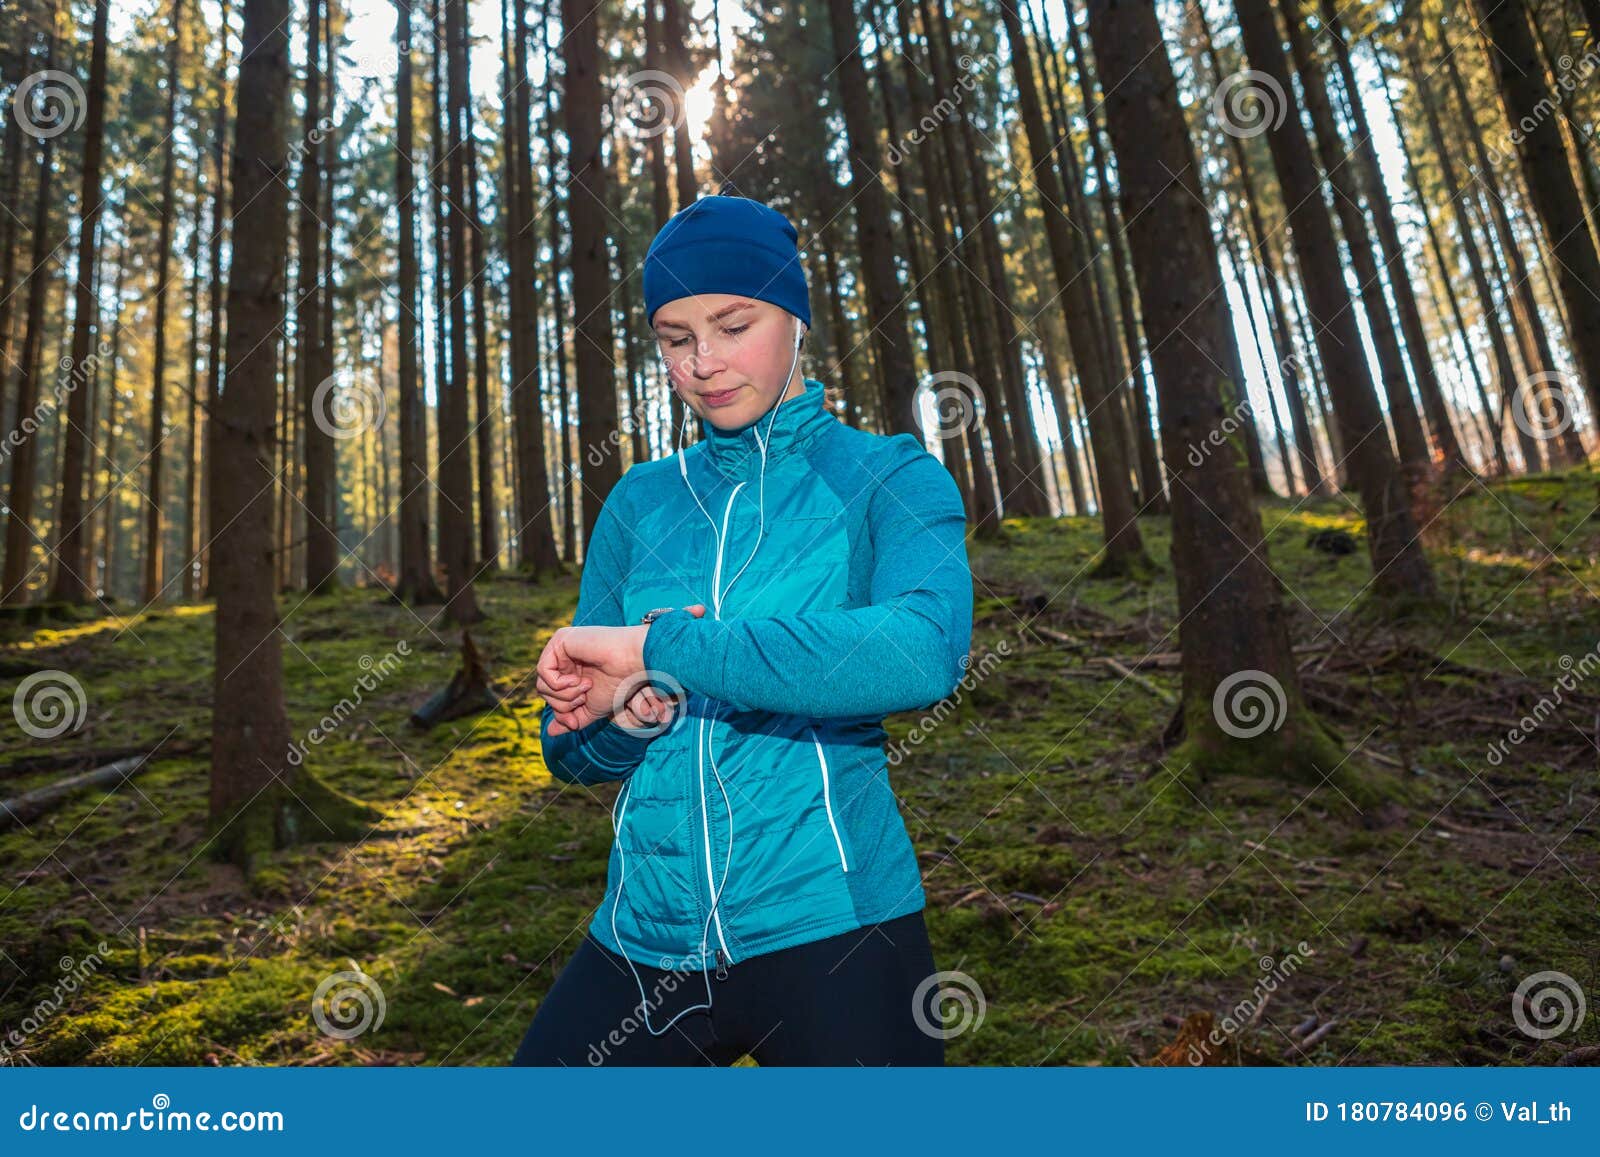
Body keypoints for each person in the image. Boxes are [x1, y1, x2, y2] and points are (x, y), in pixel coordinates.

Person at [512, 194, 973, 1066]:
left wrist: (666, 648)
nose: (706, 362)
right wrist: (626, 721)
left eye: (734, 324)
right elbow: (567, 752)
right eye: (676, 338)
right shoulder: (638, 503)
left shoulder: (884, 477)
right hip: (644, 939)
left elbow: (922, 651)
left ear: (796, 315)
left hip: (834, 927)